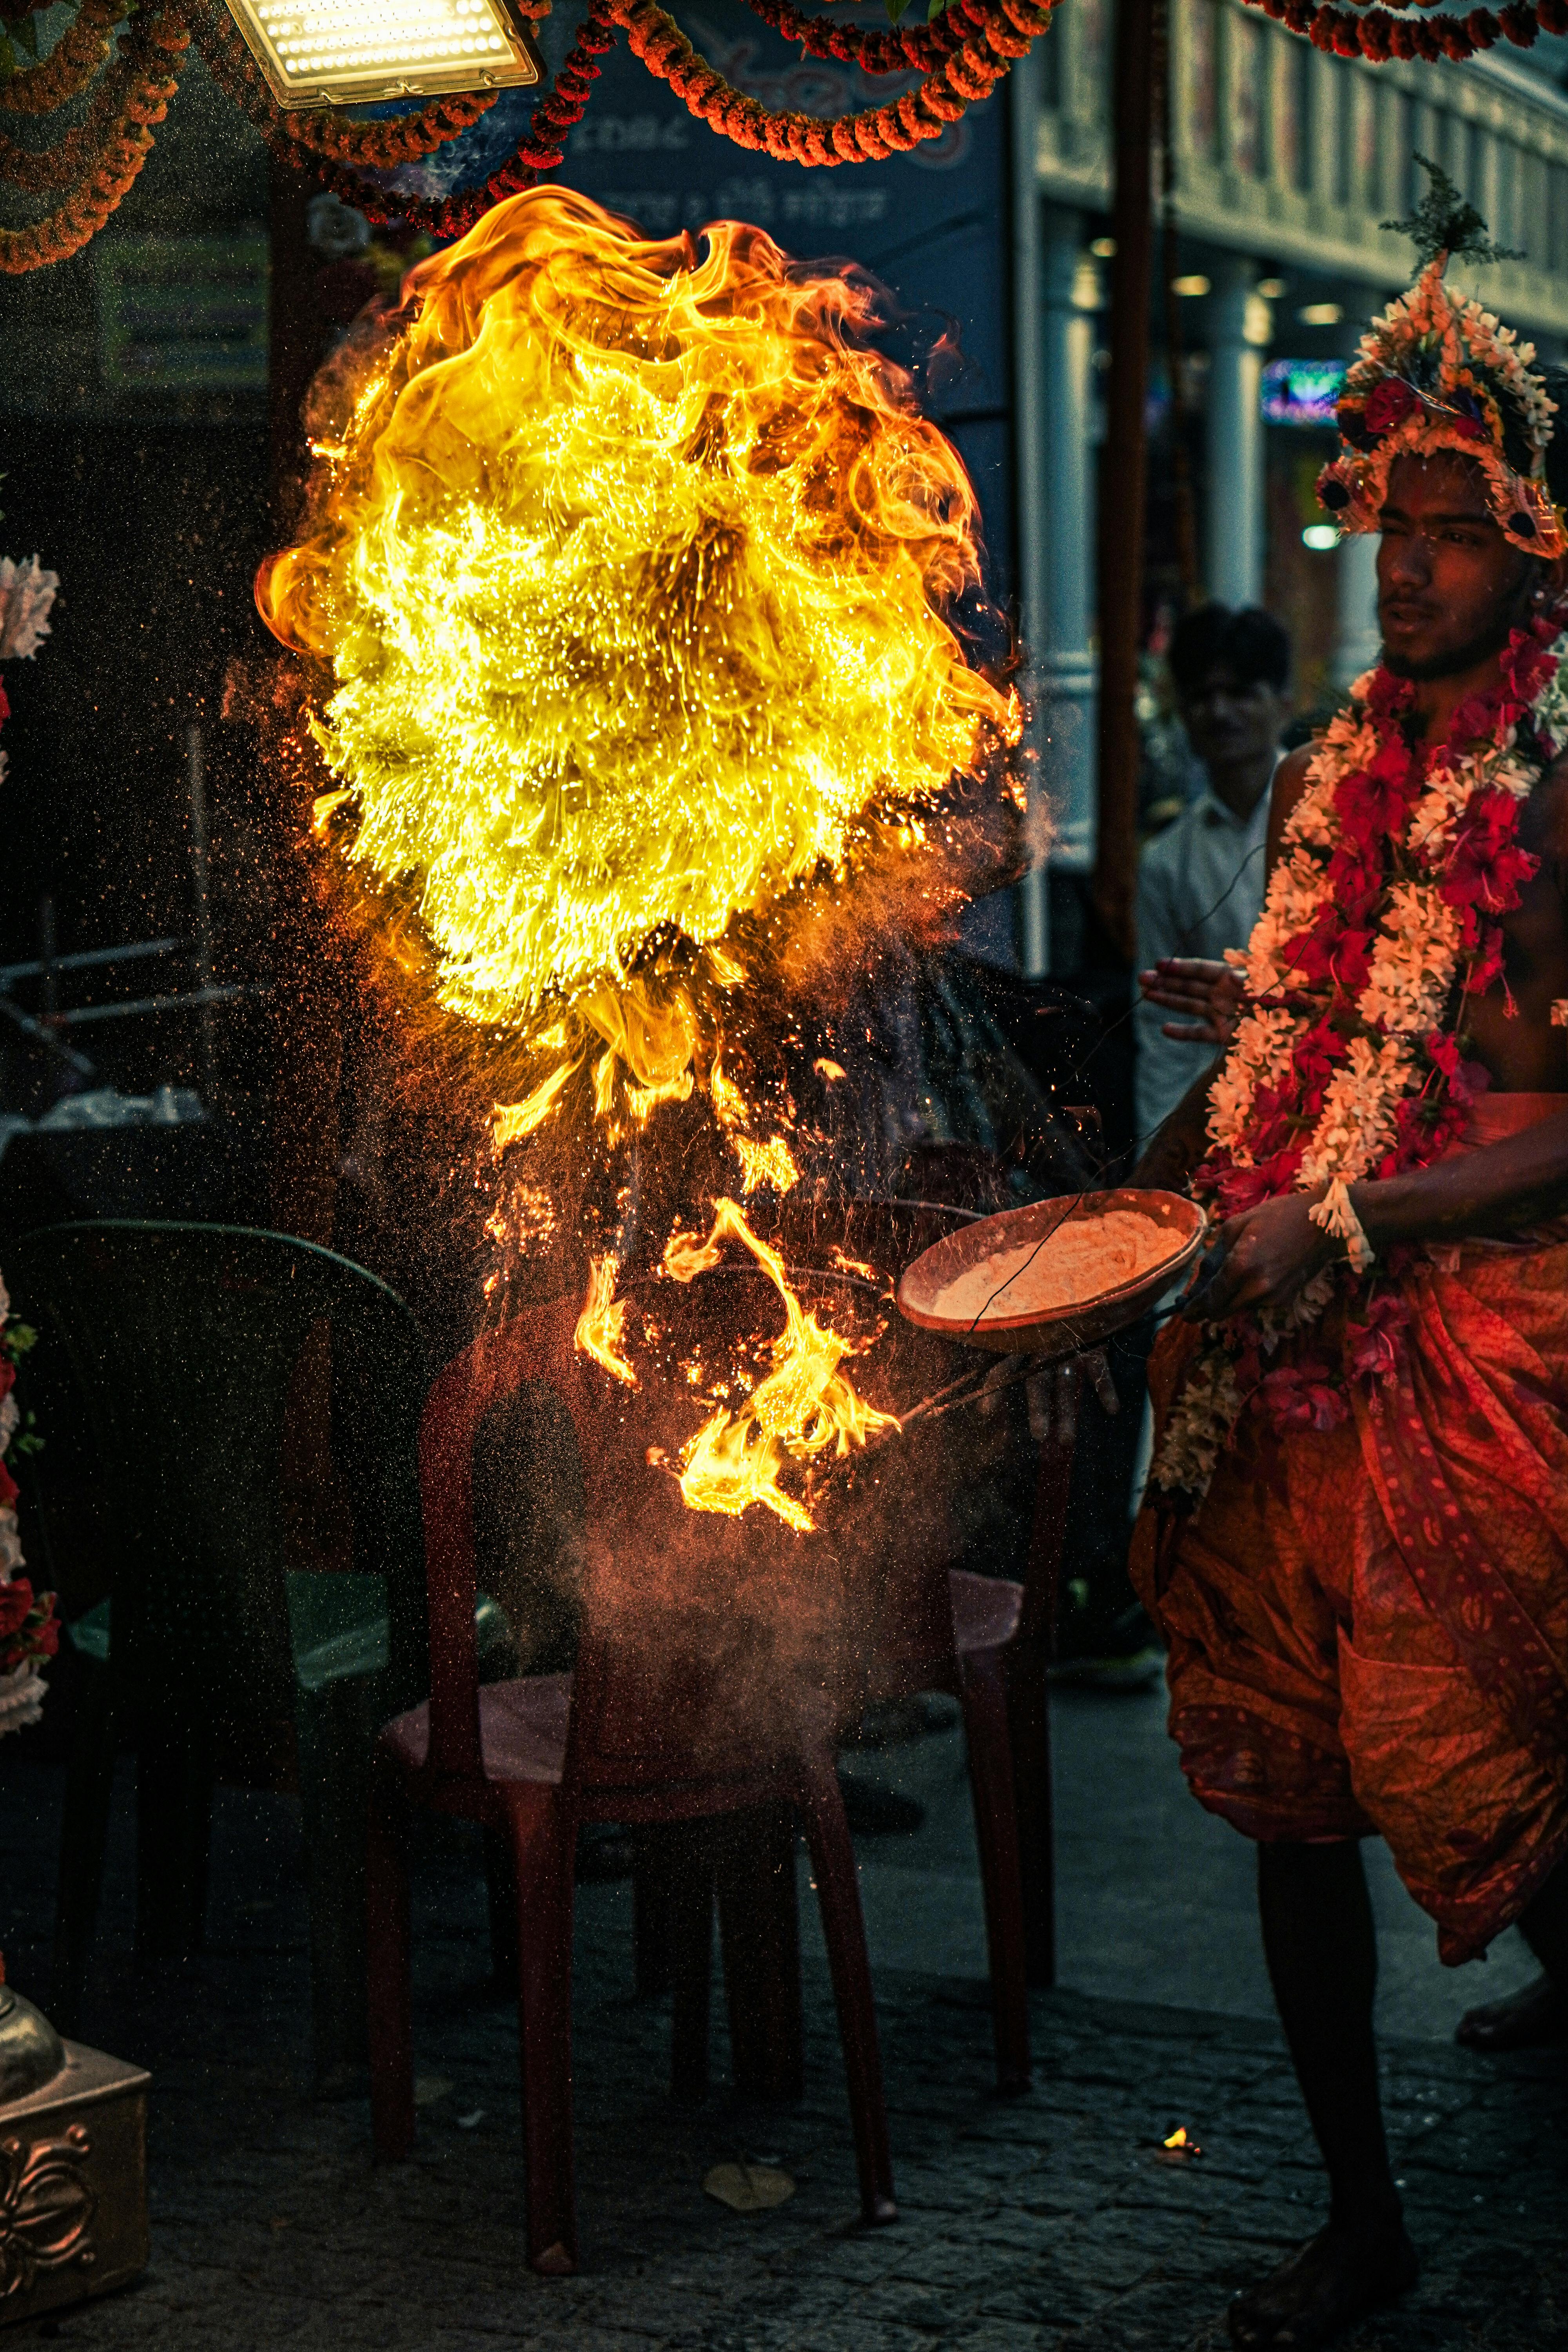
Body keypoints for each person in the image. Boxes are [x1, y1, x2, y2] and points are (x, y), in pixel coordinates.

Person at [1129, 165, 1568, 2352]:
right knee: (1290, 1804)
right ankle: (1362, 2219)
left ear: (1529, 554)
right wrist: (1186, 1159)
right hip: (1284, 1368)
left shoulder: (1555, 797)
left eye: (1453, 525)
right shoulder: (1327, 767)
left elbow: (1558, 1128)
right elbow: (1323, 1029)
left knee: (1492, 1782)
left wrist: (1352, 1217)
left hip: (1472, 1365)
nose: (1408, 563)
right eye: (1385, 524)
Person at [1134, 605, 1291, 1148]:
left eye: (1241, 693)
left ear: (1282, 701)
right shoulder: (1166, 862)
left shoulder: (1337, 811)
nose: (1219, 712)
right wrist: (1160, 1158)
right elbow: (1164, 1033)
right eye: (1201, 697)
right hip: (1227, 1116)